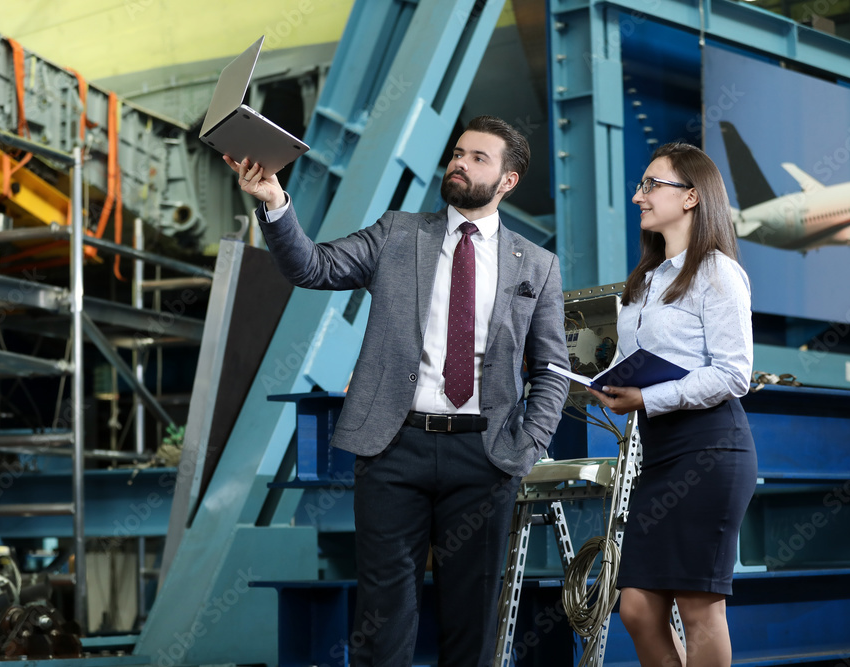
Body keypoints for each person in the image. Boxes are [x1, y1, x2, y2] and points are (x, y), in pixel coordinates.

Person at [224, 115, 570, 667]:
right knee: (382, 623)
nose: (460, 162)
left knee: (472, 624)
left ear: (508, 180)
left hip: (484, 456)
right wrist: (275, 202)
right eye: (458, 152)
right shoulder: (398, 233)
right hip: (393, 450)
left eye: (479, 157)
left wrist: (527, 446)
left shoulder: (539, 265)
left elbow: (552, 368)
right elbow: (312, 267)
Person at [588, 142, 757, 667]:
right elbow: (629, 360)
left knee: (699, 606)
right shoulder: (642, 282)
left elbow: (734, 374)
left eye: (651, 185)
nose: (639, 196)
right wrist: (601, 385)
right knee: (637, 607)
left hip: (711, 450)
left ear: (690, 197)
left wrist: (647, 396)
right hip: (659, 454)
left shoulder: (717, 272)